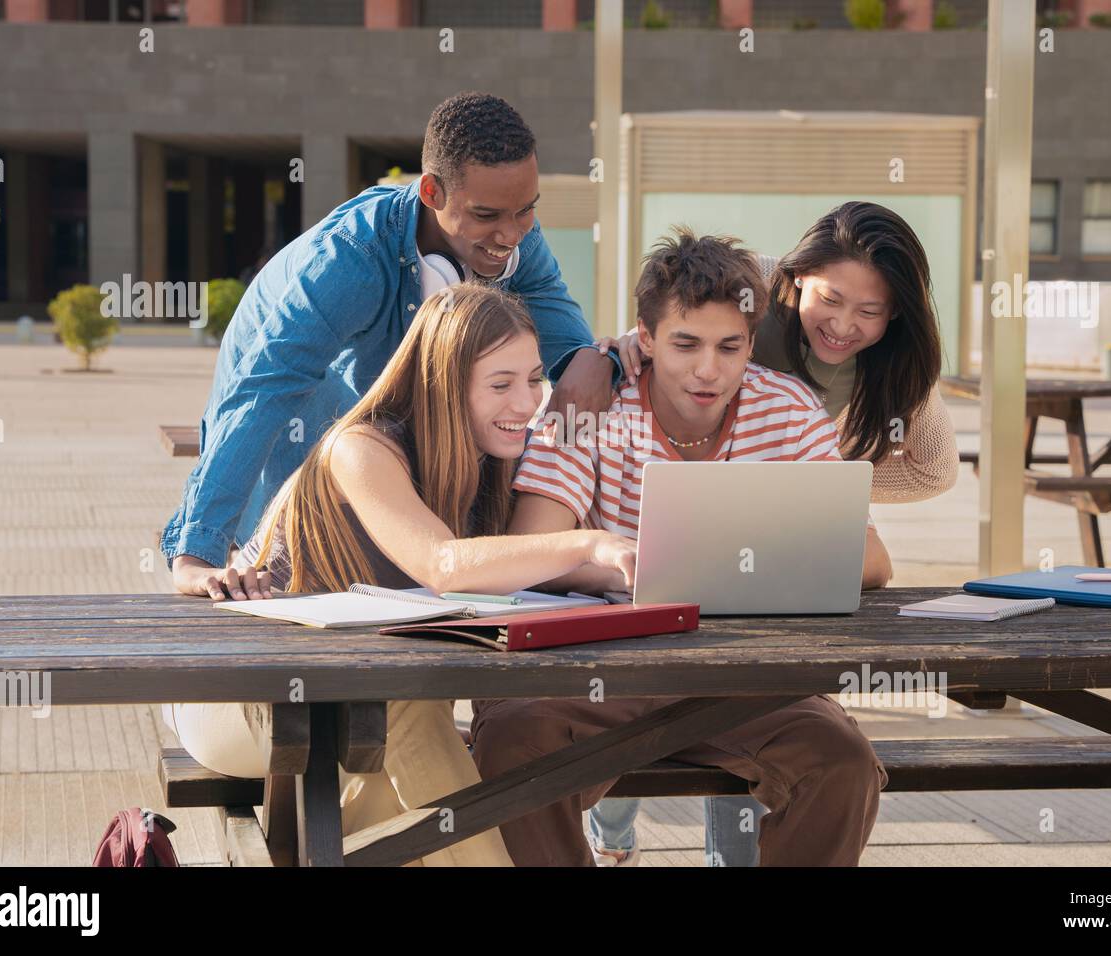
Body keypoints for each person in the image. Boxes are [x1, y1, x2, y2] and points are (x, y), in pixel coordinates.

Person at [169, 283, 638, 866]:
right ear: (441, 382)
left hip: (360, 707)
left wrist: (633, 573)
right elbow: (443, 565)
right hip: (249, 702)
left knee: (398, 799)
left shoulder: (491, 464)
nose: (527, 402)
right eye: (501, 384)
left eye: (534, 379)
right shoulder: (361, 447)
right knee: (407, 710)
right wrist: (588, 541)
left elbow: (522, 571)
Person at [472, 229, 890, 867]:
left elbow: (872, 559)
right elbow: (533, 545)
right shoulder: (589, 408)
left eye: (730, 347)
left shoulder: (792, 411)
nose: (708, 370)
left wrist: (720, 568)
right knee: (510, 742)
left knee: (842, 761)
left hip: (741, 672)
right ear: (644, 339)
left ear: (752, 343)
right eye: (685, 344)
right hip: (601, 665)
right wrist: (628, 567)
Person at [593, 200, 959, 866]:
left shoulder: (889, 363)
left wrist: (815, 494)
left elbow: (933, 470)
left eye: (870, 311)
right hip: (683, 496)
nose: (844, 324)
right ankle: (612, 836)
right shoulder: (753, 288)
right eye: (831, 299)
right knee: (633, 704)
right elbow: (661, 329)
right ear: (795, 281)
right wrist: (595, 364)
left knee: (739, 709)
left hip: (770, 523)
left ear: (897, 313)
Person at [163, 91, 620, 597]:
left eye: (526, 210)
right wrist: (195, 554)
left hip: (384, 435)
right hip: (294, 398)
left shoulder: (517, 240)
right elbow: (265, 388)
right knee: (301, 557)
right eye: (488, 214)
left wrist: (600, 360)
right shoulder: (348, 259)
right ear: (431, 193)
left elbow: (567, 340)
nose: (512, 234)